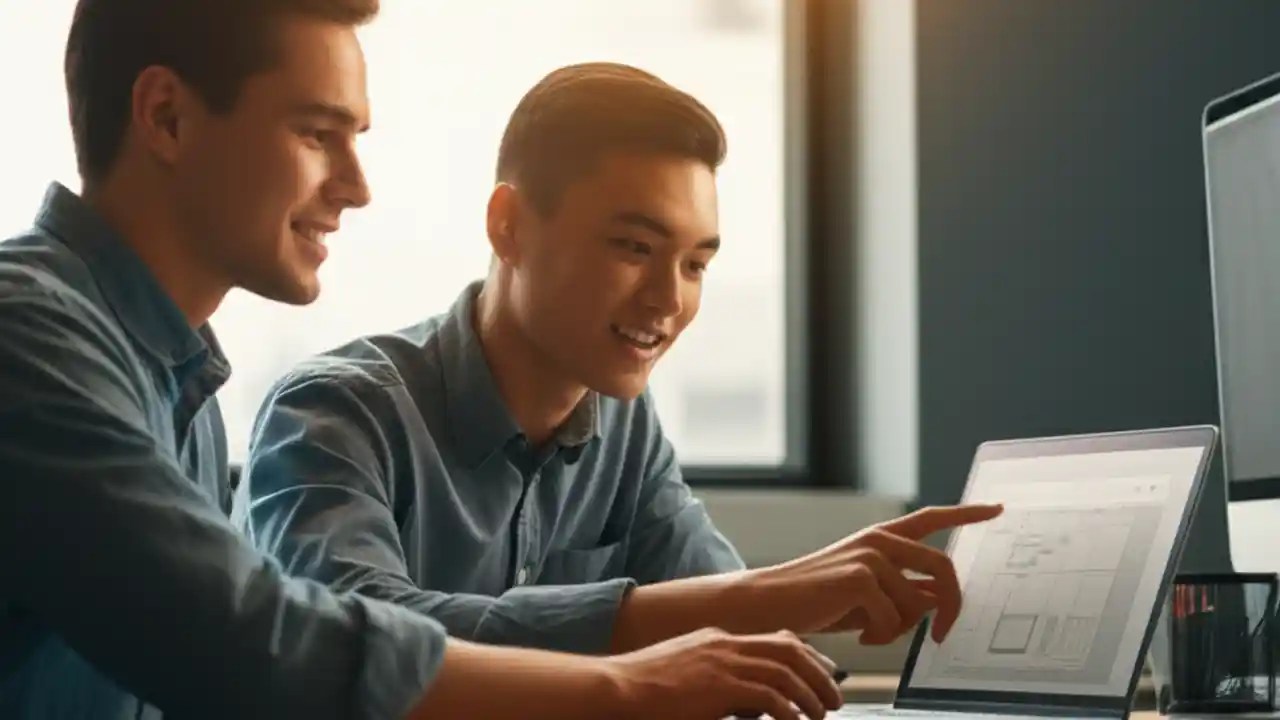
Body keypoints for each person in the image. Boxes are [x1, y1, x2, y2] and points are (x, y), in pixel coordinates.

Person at [0, 3, 852, 719]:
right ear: (166, 117)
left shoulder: (173, 382)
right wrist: (627, 683)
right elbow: (252, 639)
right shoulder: (28, 337)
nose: (357, 185)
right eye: (317, 133)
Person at [234, 62, 1003, 661]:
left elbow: (727, 616)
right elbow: (362, 641)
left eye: (696, 265)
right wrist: (761, 598)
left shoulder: (623, 426)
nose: (668, 300)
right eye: (634, 247)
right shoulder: (332, 415)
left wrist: (808, 603)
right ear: (508, 225)